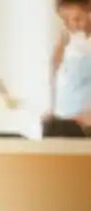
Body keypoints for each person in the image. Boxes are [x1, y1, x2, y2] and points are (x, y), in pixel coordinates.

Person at [46, 0, 91, 133]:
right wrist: (53, 110)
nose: (72, 24)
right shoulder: (70, 40)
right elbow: (56, 73)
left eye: (77, 18)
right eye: (65, 20)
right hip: (67, 119)